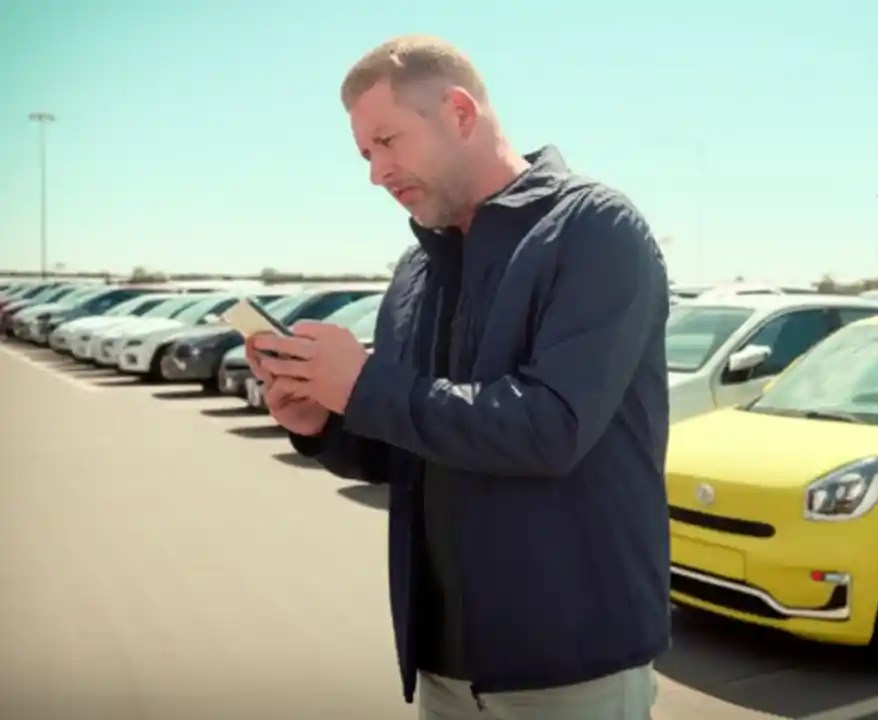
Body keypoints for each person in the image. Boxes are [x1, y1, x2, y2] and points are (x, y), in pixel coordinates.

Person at [245, 34, 672, 719]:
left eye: (388, 140)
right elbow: (406, 447)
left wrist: (364, 387)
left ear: (460, 112)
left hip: (571, 669)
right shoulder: (416, 270)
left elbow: (550, 428)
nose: (377, 173)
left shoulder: (594, 229)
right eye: (365, 153)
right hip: (442, 667)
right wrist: (324, 423)